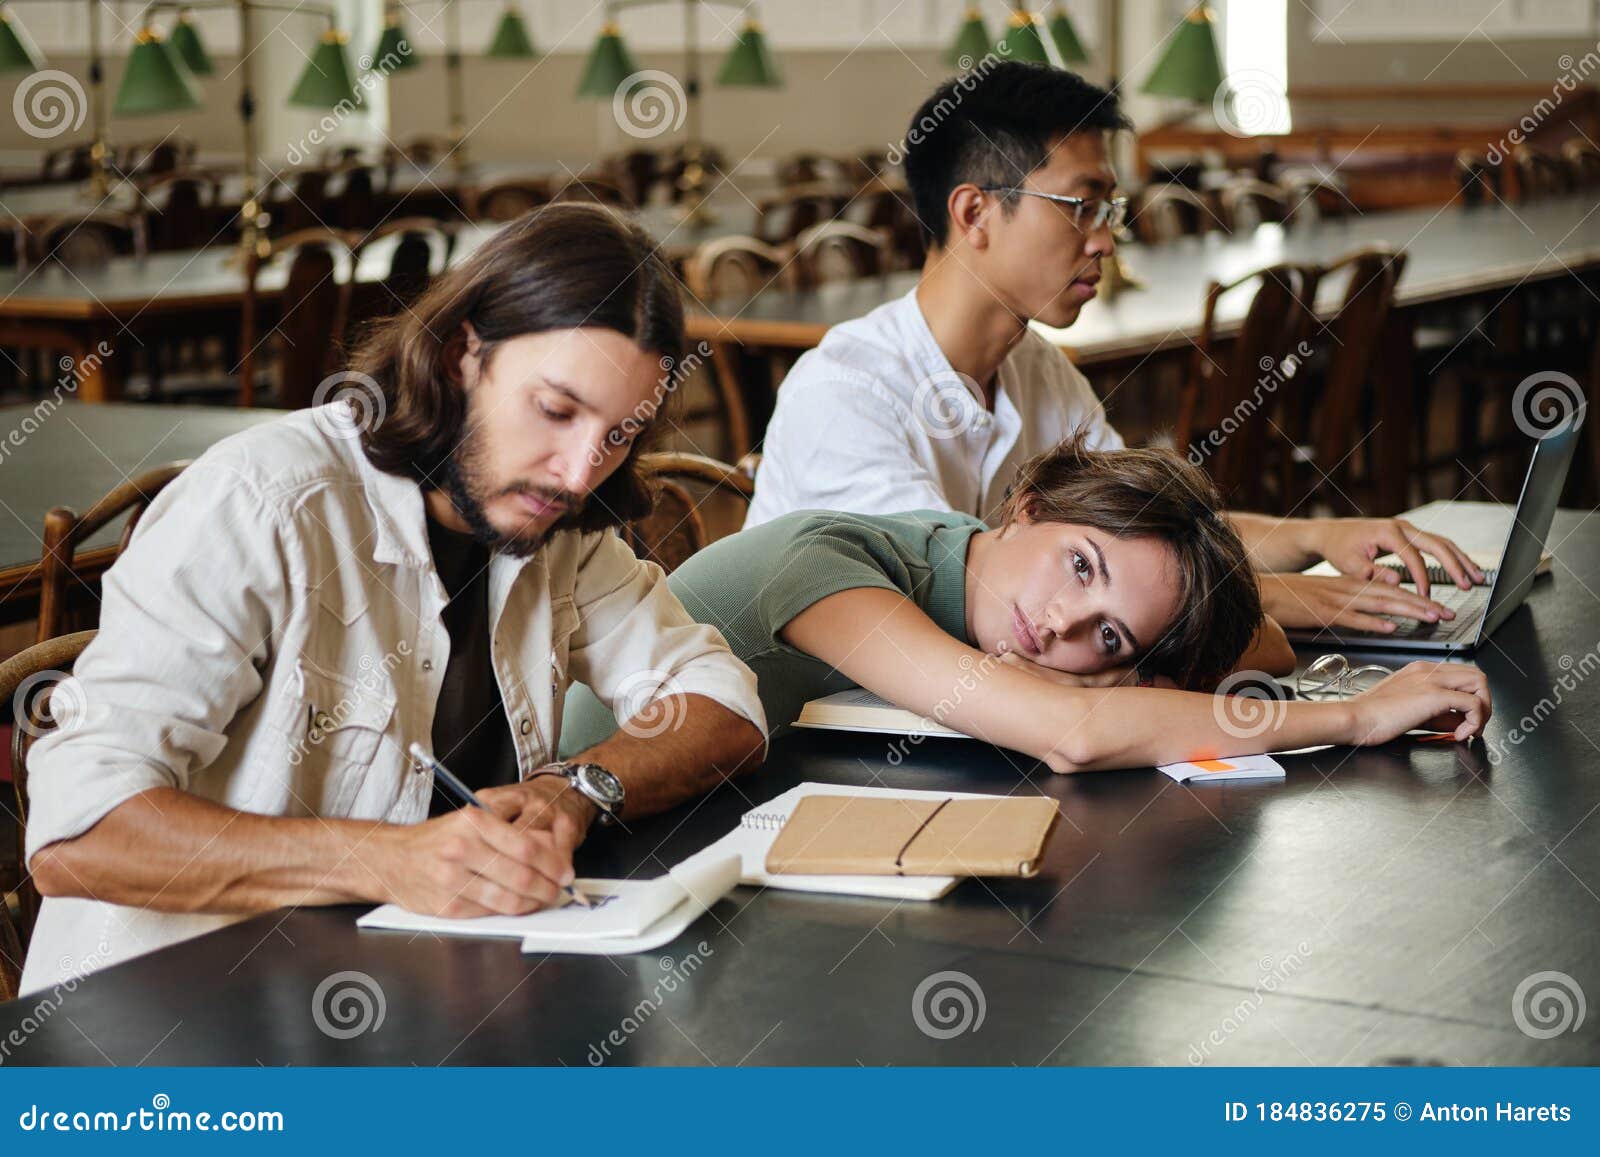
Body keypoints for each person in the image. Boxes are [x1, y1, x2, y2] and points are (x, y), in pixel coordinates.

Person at [20, 205, 767, 995]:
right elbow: (77, 834)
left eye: (618, 435)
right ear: (460, 354)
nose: (579, 471)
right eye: (555, 410)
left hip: (401, 994)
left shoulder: (560, 524)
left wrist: (576, 788)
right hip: (171, 1017)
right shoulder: (258, 504)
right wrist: (380, 858)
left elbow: (722, 702)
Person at [744, 62, 1487, 638]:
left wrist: (1322, 537)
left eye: (1110, 210)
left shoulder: (1038, 369)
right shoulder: (848, 390)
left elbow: (1147, 531)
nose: (1105, 240)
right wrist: (1303, 600)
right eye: (1082, 207)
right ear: (974, 212)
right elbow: (979, 598)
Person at [563, 439, 1491, 767]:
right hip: (605, 840)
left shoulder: (968, 561)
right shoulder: (830, 565)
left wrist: (1123, 673)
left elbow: (1266, 647)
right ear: (1029, 505)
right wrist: (1356, 717)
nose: (1059, 624)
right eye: (1080, 566)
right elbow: (1073, 736)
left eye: (1108, 632)